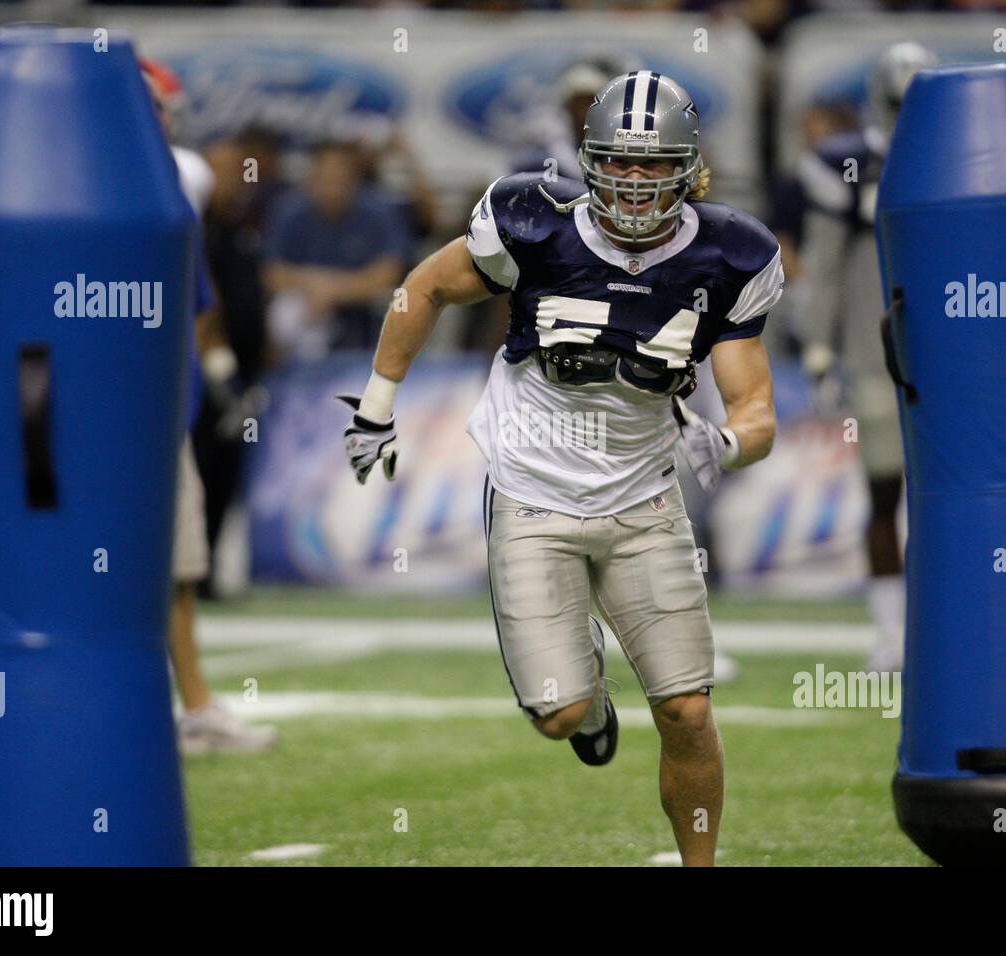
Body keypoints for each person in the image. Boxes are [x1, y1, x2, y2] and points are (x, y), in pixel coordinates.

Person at [338, 72, 782, 866]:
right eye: (619, 161)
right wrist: (377, 403)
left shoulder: (729, 254)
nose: (636, 181)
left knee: (686, 710)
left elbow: (756, 409)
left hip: (645, 500)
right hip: (533, 495)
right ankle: (589, 710)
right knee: (558, 712)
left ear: (690, 168)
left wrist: (728, 443)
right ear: (588, 160)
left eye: (654, 165)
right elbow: (424, 289)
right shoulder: (534, 220)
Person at [141, 58, 278, 754]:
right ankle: (177, 707)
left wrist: (218, 375)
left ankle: (186, 706)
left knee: (177, 567)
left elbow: (199, 303)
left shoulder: (163, 184)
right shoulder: (171, 179)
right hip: (123, 410)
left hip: (147, 408)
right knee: (165, 565)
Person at [794, 41, 938, 674]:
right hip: (876, 355)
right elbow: (822, 271)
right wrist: (820, 352)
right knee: (885, 496)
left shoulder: (959, 157)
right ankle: (892, 633)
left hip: (951, 361)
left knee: (947, 502)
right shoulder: (849, 165)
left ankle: (942, 624)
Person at [263, 139, 408, 360]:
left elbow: (389, 273)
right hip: (305, 320)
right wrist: (314, 284)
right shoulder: (289, 210)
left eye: (341, 178)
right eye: (326, 177)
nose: (333, 186)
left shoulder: (378, 211)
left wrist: (333, 291)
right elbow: (271, 274)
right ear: (311, 177)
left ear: (355, 179)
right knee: (284, 313)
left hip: (365, 323)